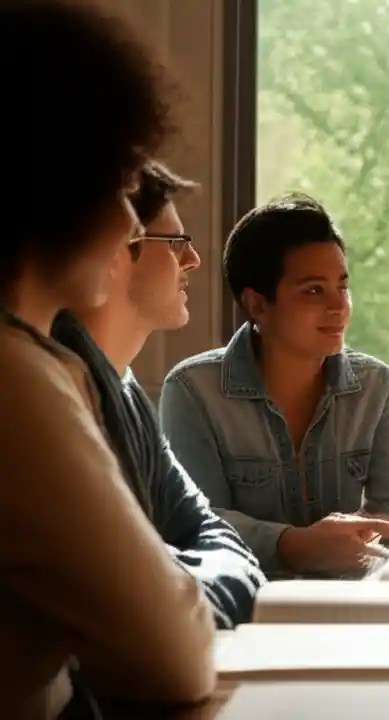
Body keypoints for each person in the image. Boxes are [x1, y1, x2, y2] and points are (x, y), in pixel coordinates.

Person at [0, 2, 215, 716]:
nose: (131, 222)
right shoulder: (15, 382)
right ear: (60, 181)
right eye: (122, 186)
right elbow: (175, 655)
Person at [161, 194, 389, 578]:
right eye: (314, 290)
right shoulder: (193, 390)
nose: (339, 307)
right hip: (240, 614)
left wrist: (355, 548)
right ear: (258, 305)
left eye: (343, 286)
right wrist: (294, 546)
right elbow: (193, 526)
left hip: (354, 612)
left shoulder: (375, 386)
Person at [51, 161, 265, 629]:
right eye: (176, 244)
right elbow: (138, 608)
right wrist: (173, 582)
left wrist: (170, 578)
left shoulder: (124, 390)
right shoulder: (54, 399)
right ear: (115, 247)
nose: (193, 260)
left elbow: (215, 535)